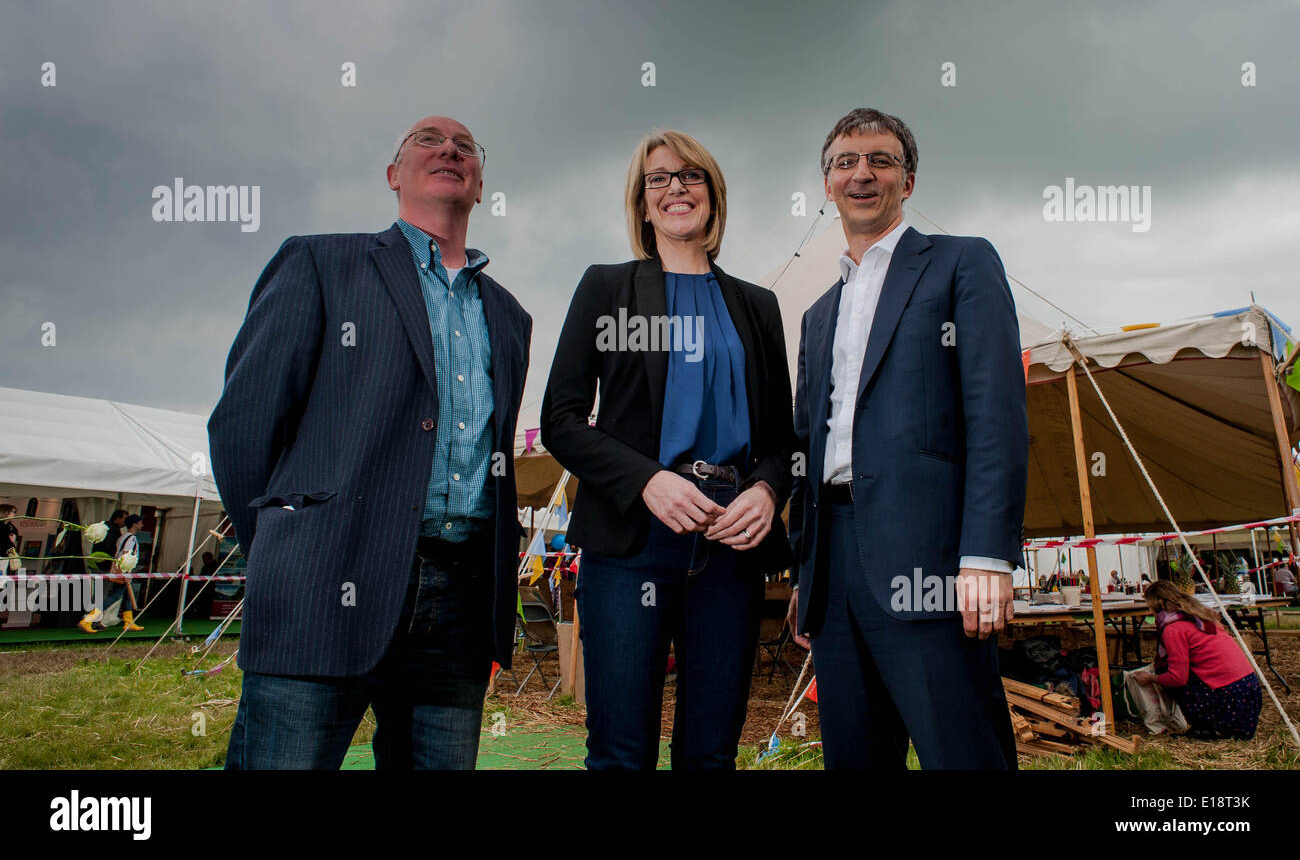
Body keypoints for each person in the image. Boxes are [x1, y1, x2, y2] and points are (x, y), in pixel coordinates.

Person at [208, 115, 532, 770]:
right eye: (427, 140)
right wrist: (291, 546)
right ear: (393, 175)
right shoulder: (320, 262)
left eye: (465, 146)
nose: (448, 149)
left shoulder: (510, 314)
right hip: (323, 585)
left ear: (478, 183)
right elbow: (242, 428)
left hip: (459, 604)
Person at [542, 129, 796, 770]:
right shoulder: (607, 289)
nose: (676, 187)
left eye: (691, 175)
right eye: (659, 177)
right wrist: (648, 480)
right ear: (642, 201)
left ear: (713, 194)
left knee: (711, 753)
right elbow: (562, 420)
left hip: (731, 539)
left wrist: (766, 489)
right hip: (633, 535)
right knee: (623, 753)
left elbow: (781, 440)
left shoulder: (756, 306)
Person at [786, 108, 1028, 770]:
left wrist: (987, 553)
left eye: (880, 159)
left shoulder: (961, 263)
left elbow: (997, 413)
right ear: (827, 186)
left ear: (908, 180)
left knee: (963, 753)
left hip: (935, 560)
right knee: (856, 757)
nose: (862, 173)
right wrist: (807, 574)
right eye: (845, 162)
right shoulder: (816, 316)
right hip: (833, 569)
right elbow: (808, 446)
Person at [1131, 580, 1262, 739]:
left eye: (1150, 607)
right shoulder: (1199, 616)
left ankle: (1206, 726)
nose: (1150, 612)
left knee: (1167, 672)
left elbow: (1177, 678)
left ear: (1158, 606)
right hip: (1249, 694)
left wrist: (1152, 678)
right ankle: (1211, 726)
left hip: (1230, 699)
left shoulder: (1173, 628)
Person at [78, 515, 144, 632]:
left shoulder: (122, 537)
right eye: (140, 522)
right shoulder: (131, 539)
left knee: (126, 597)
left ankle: (129, 621)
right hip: (123, 570)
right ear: (135, 524)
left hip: (118, 569)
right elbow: (126, 555)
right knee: (115, 595)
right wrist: (127, 572)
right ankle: (88, 619)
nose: (142, 525)